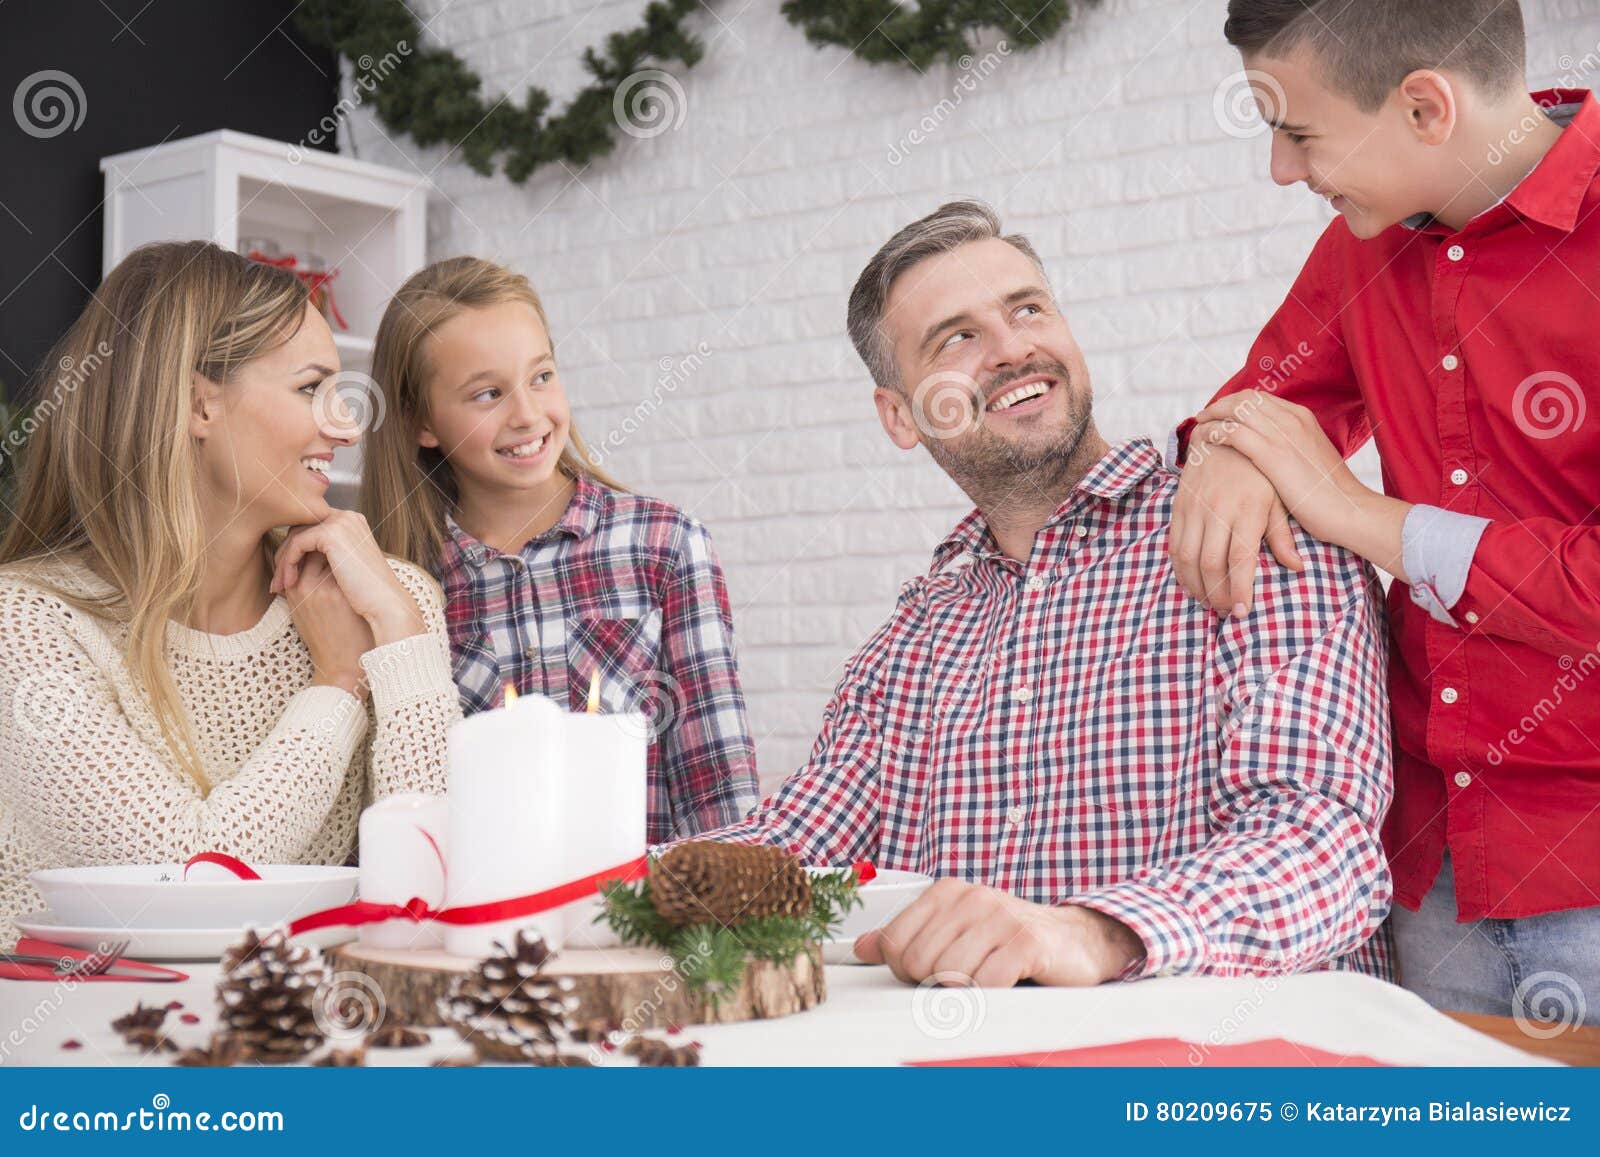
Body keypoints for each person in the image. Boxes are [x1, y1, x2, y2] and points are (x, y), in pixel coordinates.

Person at [696, 200, 1394, 988]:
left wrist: (1095, 934)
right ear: (900, 416)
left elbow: (1323, 849)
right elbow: (794, 845)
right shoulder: (918, 634)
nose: (1012, 348)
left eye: (1026, 309)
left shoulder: (1248, 529)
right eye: (956, 337)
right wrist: (593, 886)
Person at [1169, 0, 1600, 1022]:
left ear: (1422, 107)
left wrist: (1359, 514)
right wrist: (1228, 444)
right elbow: (1258, 405)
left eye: (1299, 131)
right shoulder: (1365, 241)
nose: (1281, 169)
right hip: (1431, 851)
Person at [0, 241, 461, 947]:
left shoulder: (382, 606)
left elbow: (436, 887)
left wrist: (401, 633)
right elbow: (188, 884)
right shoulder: (28, 625)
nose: (344, 425)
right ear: (197, 404)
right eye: (311, 387)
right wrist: (337, 684)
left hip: (302, 1040)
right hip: (76, 1042)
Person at [362, 257, 759, 843]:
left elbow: (719, 789)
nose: (527, 415)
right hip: (476, 924)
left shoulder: (664, 545)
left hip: (639, 923)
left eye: (541, 376)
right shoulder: (400, 585)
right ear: (423, 422)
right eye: (488, 393)